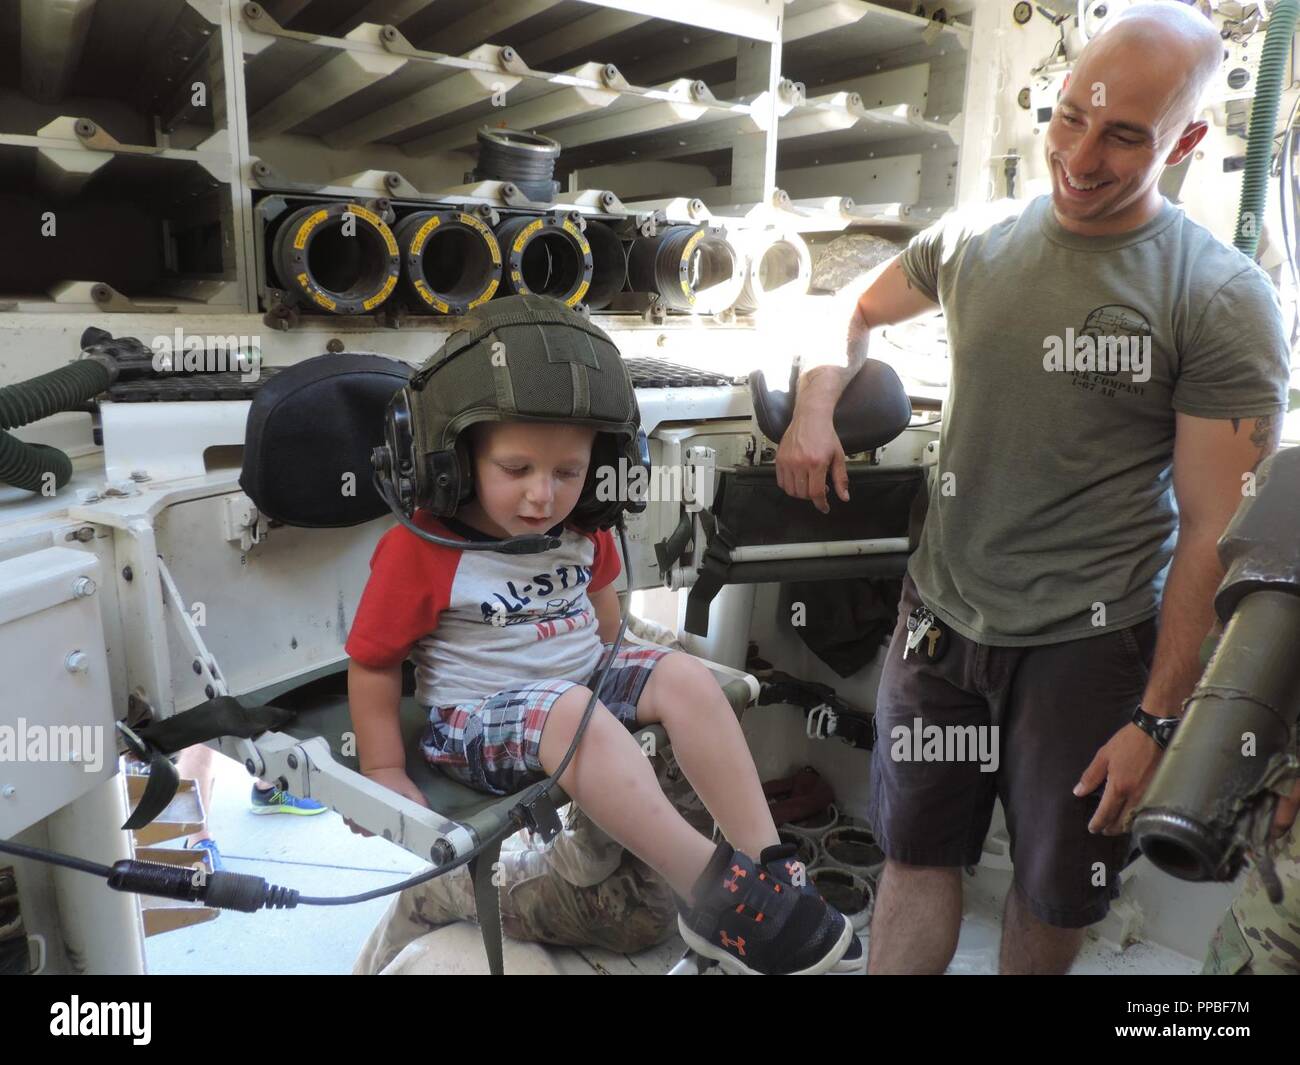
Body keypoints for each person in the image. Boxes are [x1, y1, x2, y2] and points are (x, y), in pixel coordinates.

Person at [775, 1, 1292, 973]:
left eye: (1123, 136)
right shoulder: (976, 239)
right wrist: (814, 406)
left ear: (1184, 139)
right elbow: (846, 309)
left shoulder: (1216, 298)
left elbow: (1211, 533)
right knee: (915, 858)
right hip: (940, 626)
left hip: (1088, 654)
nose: (1081, 157)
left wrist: (1154, 720)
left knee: (1054, 894)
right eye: (1068, 117)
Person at [344, 295, 857, 975]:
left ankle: (767, 862)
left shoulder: (581, 531)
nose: (543, 496)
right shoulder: (423, 548)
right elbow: (373, 664)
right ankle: (715, 892)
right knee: (576, 712)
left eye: (567, 472)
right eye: (516, 469)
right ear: (461, 458)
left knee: (682, 676)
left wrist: (647, 680)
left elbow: (607, 625)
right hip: (475, 721)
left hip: (574, 690)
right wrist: (381, 769)